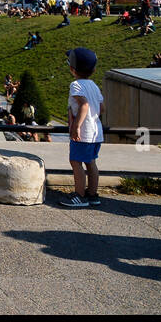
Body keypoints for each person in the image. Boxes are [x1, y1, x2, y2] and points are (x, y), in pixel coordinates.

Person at [60, 47, 104, 208]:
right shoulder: (94, 85)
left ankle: (80, 196)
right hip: (95, 132)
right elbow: (101, 108)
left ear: (72, 69)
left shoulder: (76, 85)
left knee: (75, 161)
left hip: (83, 132)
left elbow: (84, 105)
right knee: (91, 162)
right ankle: (93, 195)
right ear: (93, 69)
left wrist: (76, 127)